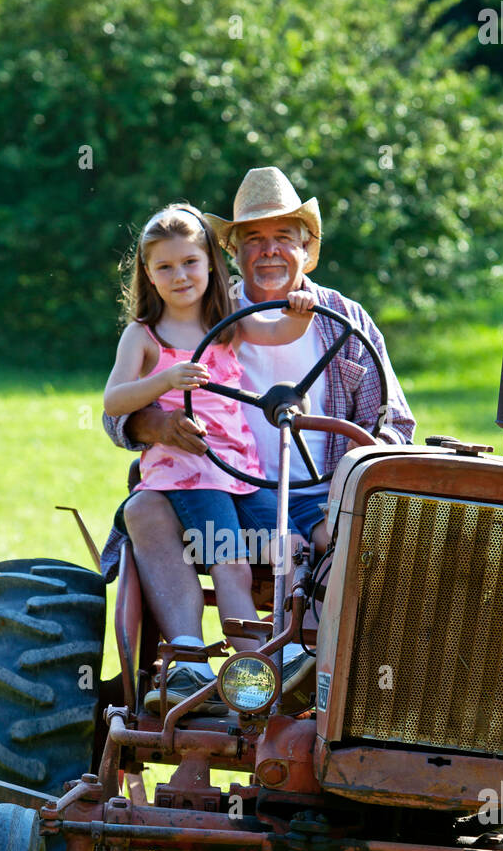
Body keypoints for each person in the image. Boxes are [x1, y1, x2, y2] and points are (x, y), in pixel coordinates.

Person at [101, 168, 416, 709]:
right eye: (254, 240)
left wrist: (354, 477)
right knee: (146, 512)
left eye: (283, 239)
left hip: (321, 492)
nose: (269, 252)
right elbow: (116, 413)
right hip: (203, 476)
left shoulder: (341, 318)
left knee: (336, 545)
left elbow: (393, 423)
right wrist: (157, 424)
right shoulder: (210, 314)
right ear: (233, 254)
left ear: (307, 250)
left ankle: (329, 685)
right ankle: (187, 662)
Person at [104, 201, 315, 712]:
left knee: (291, 545)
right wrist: (163, 382)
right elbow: (114, 401)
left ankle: (293, 652)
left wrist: (299, 311)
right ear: (148, 276)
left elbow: (277, 332)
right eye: (166, 267)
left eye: (190, 262)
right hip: (190, 473)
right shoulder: (144, 337)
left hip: (240, 472)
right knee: (231, 567)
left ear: (210, 266)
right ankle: (246, 671)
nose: (180, 276)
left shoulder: (226, 324)